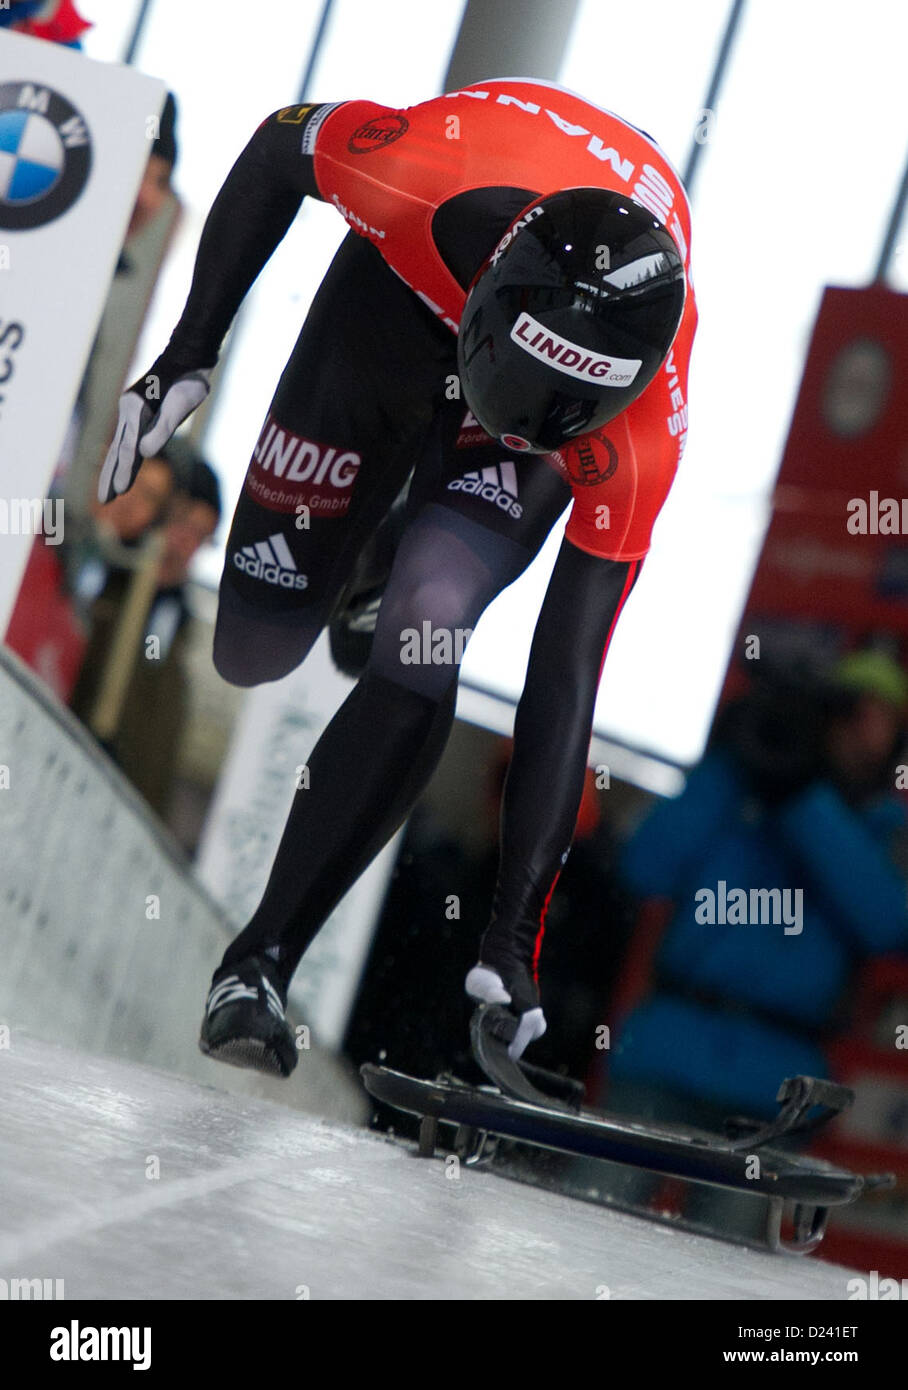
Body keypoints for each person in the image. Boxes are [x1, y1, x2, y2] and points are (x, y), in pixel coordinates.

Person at [98, 79, 697, 1078]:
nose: (518, 422)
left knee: (427, 626)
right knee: (254, 644)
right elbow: (273, 144)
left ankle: (259, 963)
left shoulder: (645, 432)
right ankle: (381, 538)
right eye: (518, 397)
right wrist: (186, 356)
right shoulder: (417, 172)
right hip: (396, 304)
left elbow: (566, 673)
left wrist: (512, 941)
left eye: (557, 413)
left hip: (509, 358)